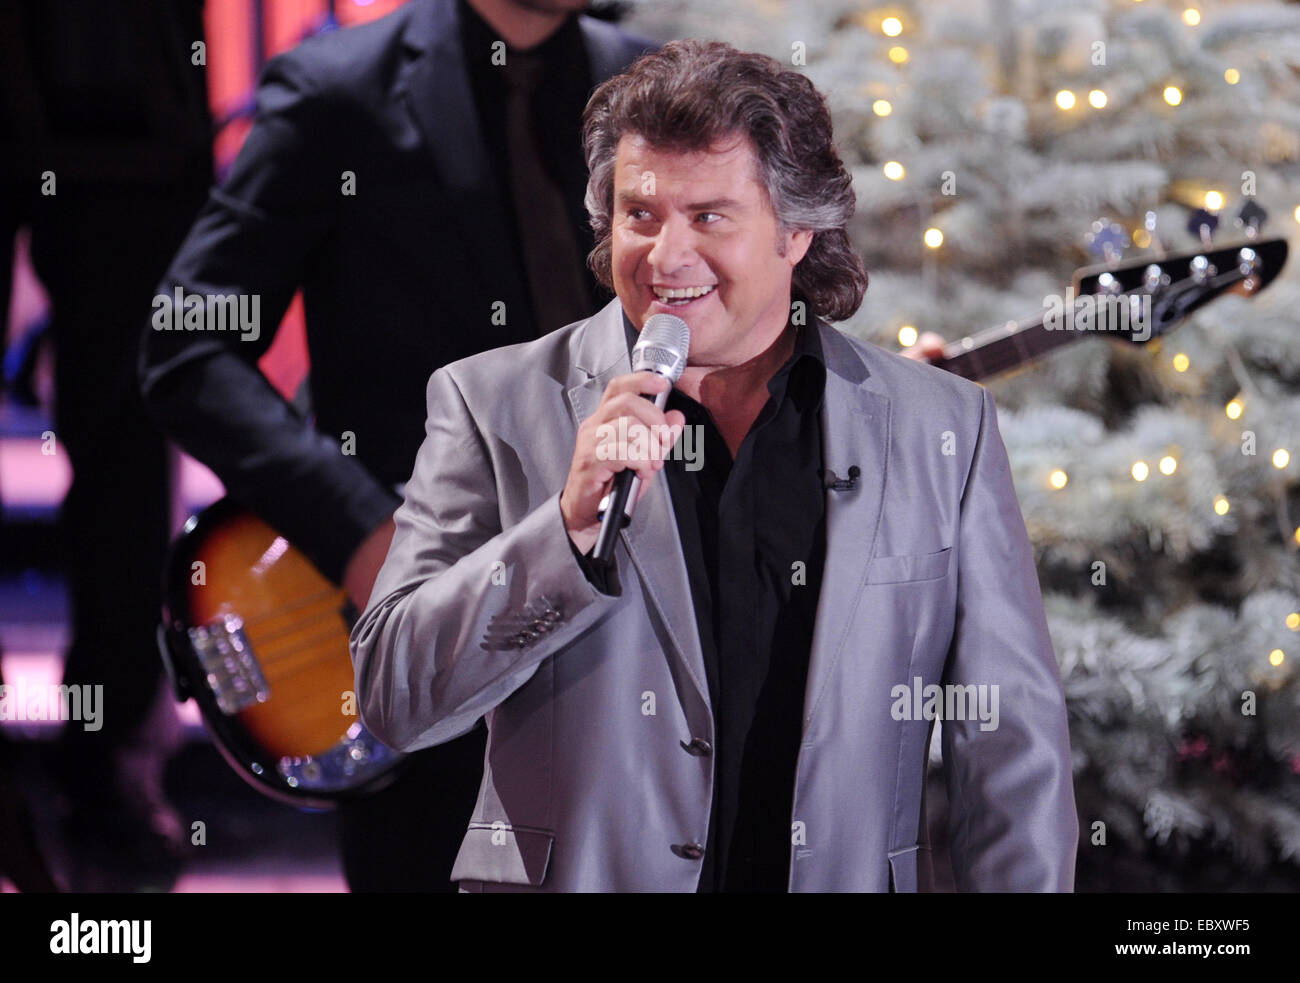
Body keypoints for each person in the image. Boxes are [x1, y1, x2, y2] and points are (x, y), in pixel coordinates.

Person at [350, 39, 1079, 892]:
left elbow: (1013, 749)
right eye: (641, 215)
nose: (665, 259)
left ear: (798, 229)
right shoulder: (491, 402)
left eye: (709, 217)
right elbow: (396, 696)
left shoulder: (941, 428)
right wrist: (565, 531)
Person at [140, 0, 653, 891]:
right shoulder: (340, 92)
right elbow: (187, 346)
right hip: (423, 622)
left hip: (627, 637)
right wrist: (359, 533)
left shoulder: (656, 88)